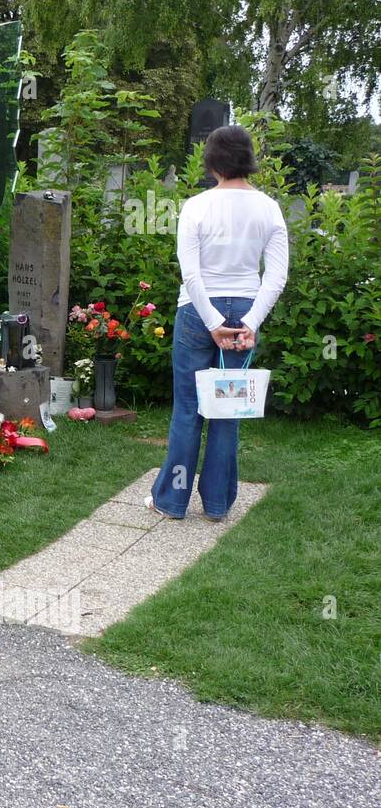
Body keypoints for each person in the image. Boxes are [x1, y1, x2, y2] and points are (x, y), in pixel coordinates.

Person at [147, 125, 288, 520]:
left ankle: (171, 502)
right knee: (228, 410)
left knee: (188, 408)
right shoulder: (269, 208)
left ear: (212, 162)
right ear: (248, 160)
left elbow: (190, 275)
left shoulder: (197, 206)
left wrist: (211, 322)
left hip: (196, 311)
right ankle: (217, 504)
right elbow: (276, 276)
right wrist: (251, 322)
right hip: (245, 311)